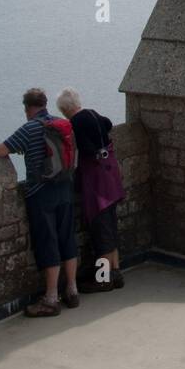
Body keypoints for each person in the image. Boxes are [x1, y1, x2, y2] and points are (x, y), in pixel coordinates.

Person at [0, 88, 79, 317]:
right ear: (45, 104)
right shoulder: (62, 124)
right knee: (67, 237)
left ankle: (51, 299)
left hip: (41, 194)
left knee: (47, 241)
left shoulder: (29, 128)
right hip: (65, 188)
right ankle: (72, 290)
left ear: (28, 108)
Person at [57, 88, 125, 292]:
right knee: (110, 227)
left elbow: (86, 149)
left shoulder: (75, 123)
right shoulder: (93, 113)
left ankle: (103, 279)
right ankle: (116, 273)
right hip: (110, 176)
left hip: (96, 184)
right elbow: (108, 124)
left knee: (101, 231)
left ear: (64, 110)